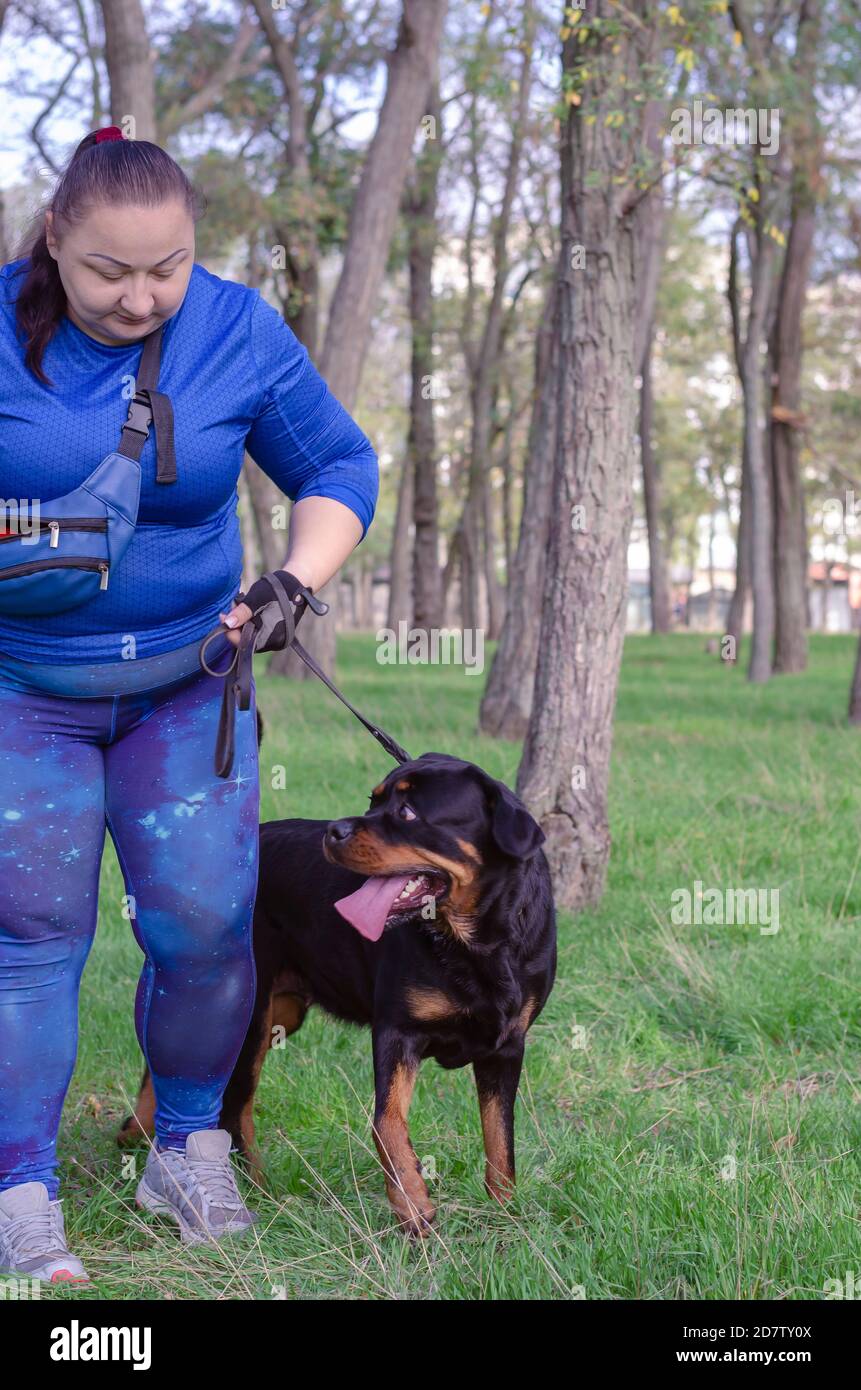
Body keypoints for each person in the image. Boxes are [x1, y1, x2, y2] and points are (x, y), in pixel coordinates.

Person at [0, 128, 378, 1283]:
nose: (140, 295)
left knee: (208, 933)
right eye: (110, 270)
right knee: (30, 942)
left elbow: (340, 467)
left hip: (190, 691)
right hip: (25, 696)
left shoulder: (236, 328)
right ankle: (21, 1188)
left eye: (166, 265)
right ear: (56, 238)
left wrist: (291, 583)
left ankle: (187, 1147)